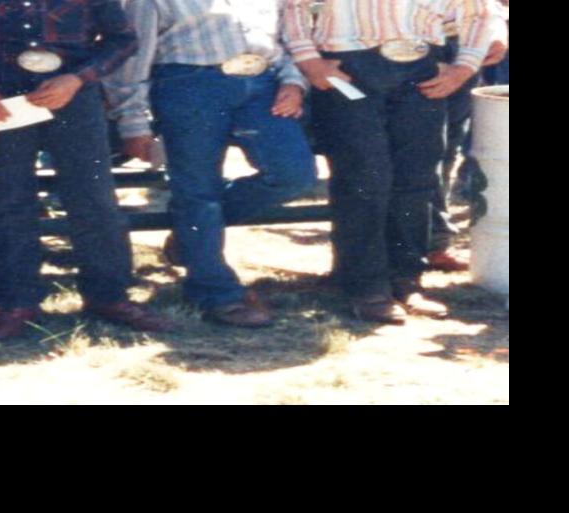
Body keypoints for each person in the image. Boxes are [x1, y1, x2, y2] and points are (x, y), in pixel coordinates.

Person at [0, 0, 175, 340]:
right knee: (8, 201)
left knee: (94, 199)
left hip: (73, 98)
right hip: (0, 100)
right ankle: (15, 304)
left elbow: (122, 40)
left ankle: (109, 297)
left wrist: (78, 79)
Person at [107, 0, 317, 328]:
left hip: (263, 85)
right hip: (189, 86)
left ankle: (191, 236)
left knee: (294, 173)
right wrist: (133, 120)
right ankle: (217, 293)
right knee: (197, 192)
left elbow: (283, 44)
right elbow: (133, 57)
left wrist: (293, 83)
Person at [287, 0, 491, 324]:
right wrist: (310, 62)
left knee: (417, 176)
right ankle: (365, 285)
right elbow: (292, 7)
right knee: (364, 175)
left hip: (421, 69)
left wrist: (464, 67)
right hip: (348, 71)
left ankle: (406, 280)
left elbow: (480, 13)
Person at [428, 0, 506, 268]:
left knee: (444, 147)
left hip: (462, 44)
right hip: (396, 47)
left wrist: (496, 30)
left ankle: (434, 242)